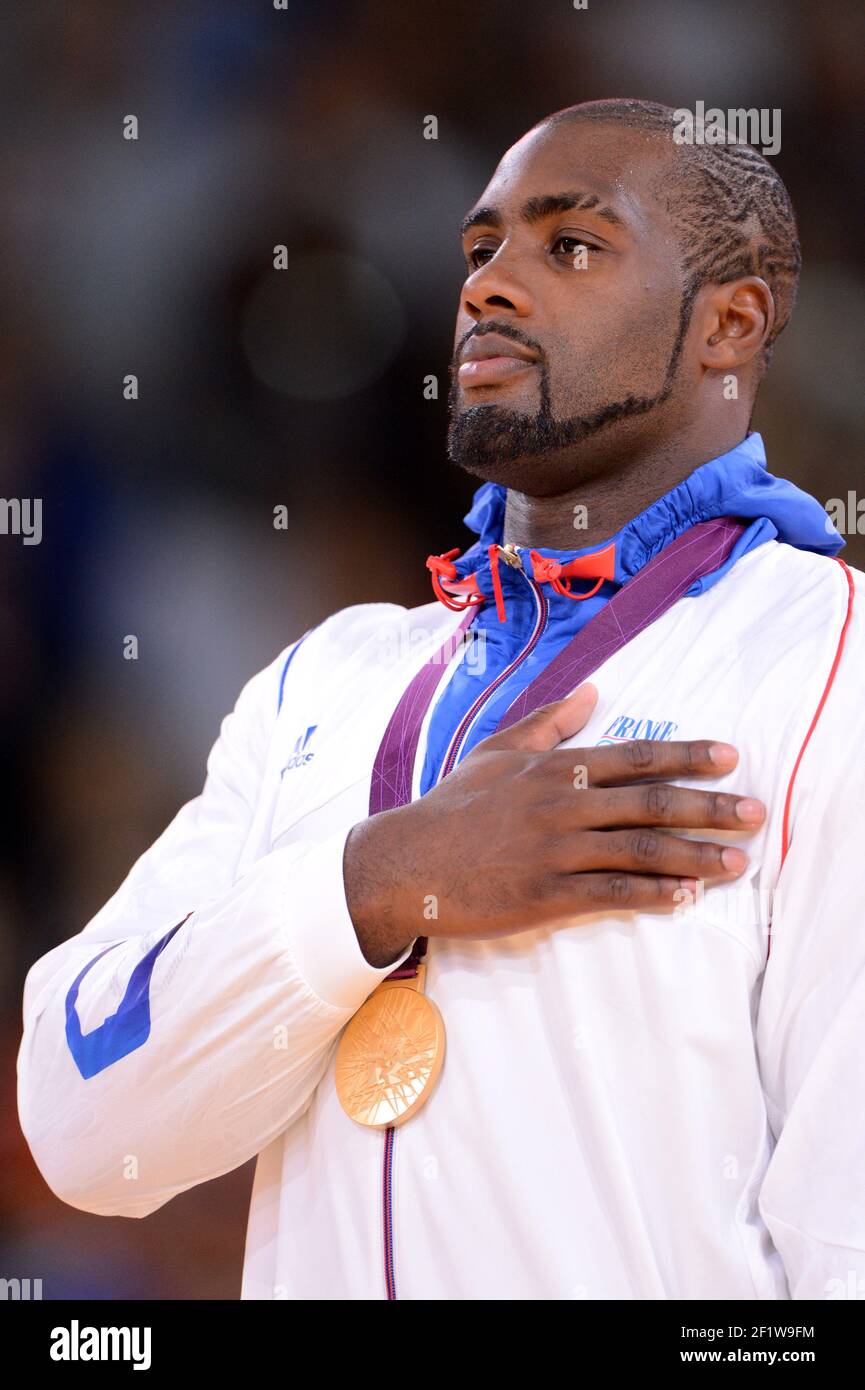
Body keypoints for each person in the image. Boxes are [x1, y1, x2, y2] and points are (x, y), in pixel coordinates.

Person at [17, 99, 864, 1301]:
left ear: (729, 323)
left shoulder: (826, 663)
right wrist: (370, 886)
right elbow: (80, 1122)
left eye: (569, 245)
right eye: (480, 250)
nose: (492, 287)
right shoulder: (329, 675)